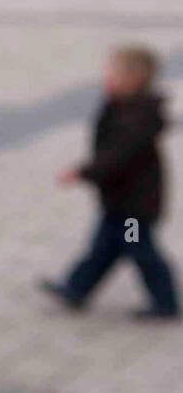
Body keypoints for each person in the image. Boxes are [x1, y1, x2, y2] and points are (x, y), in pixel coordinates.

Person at [42, 46, 178, 319]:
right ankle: (75, 288)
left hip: (135, 207)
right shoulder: (123, 107)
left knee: (142, 252)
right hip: (121, 202)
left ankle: (166, 303)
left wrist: (82, 172)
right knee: (104, 248)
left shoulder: (136, 117)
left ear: (133, 79)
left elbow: (116, 157)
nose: (105, 78)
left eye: (112, 73)